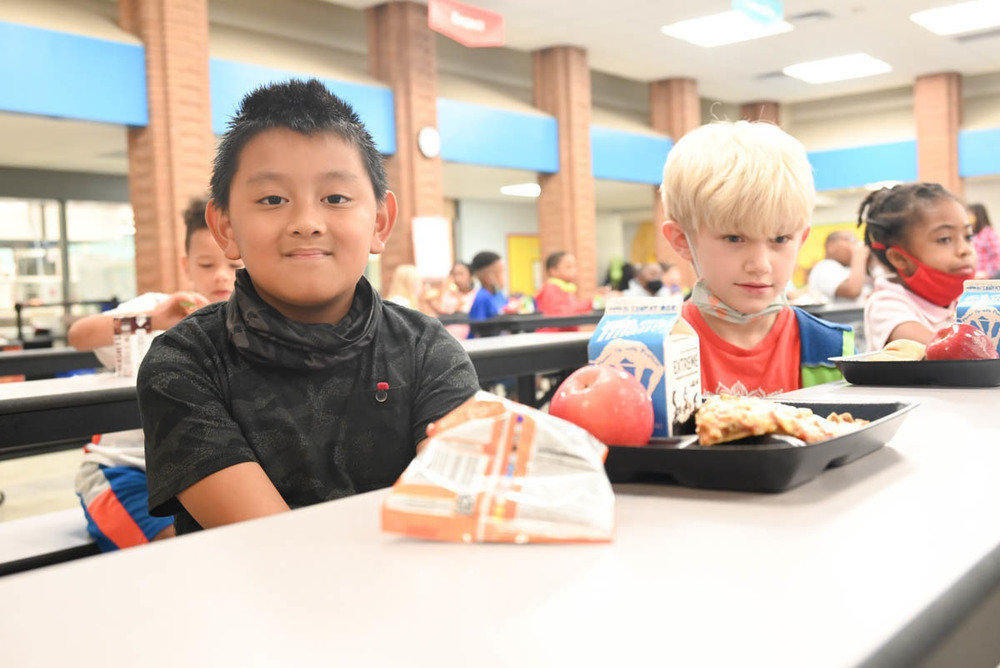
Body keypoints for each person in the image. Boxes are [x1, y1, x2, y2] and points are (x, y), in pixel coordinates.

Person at [136, 79, 480, 535]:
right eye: (272, 199)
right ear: (225, 228)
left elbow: (455, 511)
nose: (306, 223)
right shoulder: (186, 362)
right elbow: (278, 545)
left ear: (379, 222)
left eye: (335, 198)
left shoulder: (426, 351)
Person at [69, 196, 242, 550]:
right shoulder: (155, 307)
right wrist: (155, 321)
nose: (221, 275)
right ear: (186, 265)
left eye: (234, 266)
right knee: (174, 548)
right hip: (124, 471)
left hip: (200, 476)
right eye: (207, 264)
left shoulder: (250, 324)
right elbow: (79, 335)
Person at [660, 121, 853, 397]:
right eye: (734, 239)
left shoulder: (834, 350)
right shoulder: (650, 351)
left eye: (780, 239)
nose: (761, 265)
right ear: (681, 240)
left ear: (801, 239)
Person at [859, 183, 976, 351]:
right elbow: (944, 350)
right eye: (944, 239)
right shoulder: (886, 305)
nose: (965, 249)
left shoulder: (959, 301)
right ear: (900, 258)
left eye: (968, 236)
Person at [807, 229, 870, 303]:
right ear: (831, 246)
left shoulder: (850, 268)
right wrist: (859, 255)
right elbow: (852, 291)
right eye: (852, 240)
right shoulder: (824, 267)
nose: (856, 245)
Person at [468, 251, 508, 320]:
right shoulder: (481, 298)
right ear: (489, 277)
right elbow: (479, 326)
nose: (505, 276)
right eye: (501, 272)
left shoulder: (499, 294)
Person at [969, 203, 1000, 279]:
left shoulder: (988, 233)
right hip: (974, 277)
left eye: (970, 214)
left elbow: (997, 257)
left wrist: (987, 273)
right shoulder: (972, 234)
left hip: (987, 278)